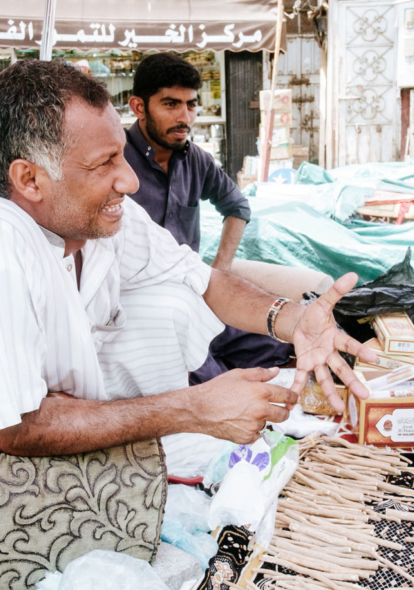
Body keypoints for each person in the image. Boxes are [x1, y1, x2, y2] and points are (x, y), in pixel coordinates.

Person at [0, 59, 376, 456]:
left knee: (171, 301)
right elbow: (15, 429)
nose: (128, 180)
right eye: (104, 164)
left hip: (47, 411)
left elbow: (200, 279)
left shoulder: (95, 217)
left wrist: (293, 320)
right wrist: (192, 409)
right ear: (29, 180)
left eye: (122, 156)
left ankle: (173, 453)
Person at [124, 52, 291, 383]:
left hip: (197, 294)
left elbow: (237, 207)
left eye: (191, 104)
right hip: (142, 311)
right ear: (139, 107)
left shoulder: (195, 159)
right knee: (212, 380)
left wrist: (221, 267)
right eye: (171, 104)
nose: (185, 117)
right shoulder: (115, 161)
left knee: (279, 349)